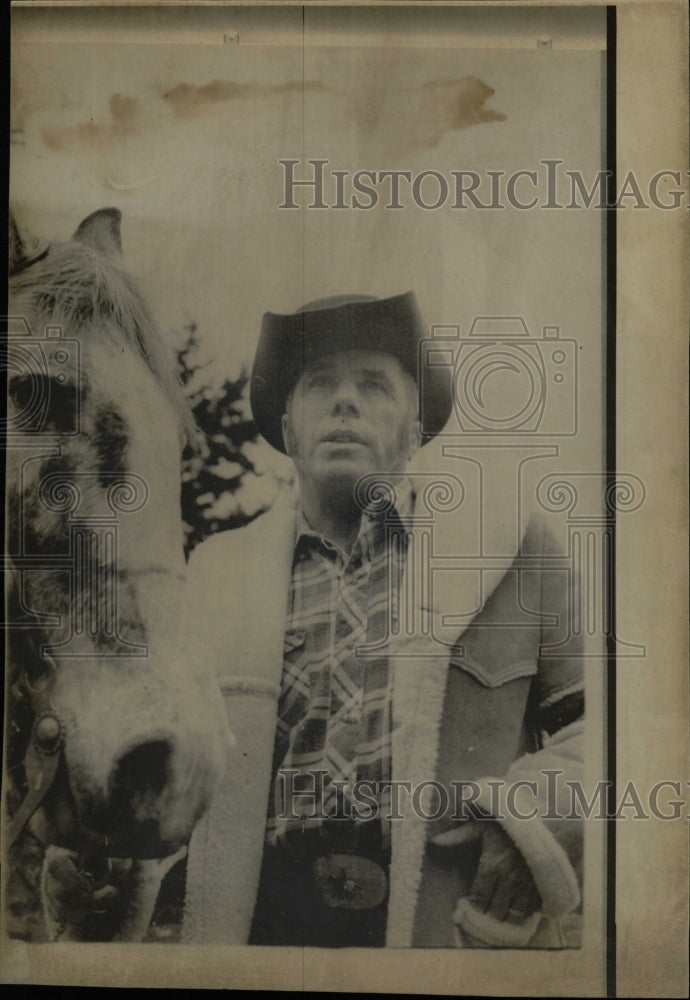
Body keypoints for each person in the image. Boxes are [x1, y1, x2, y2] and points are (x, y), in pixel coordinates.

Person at [181, 291, 585, 949]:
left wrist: (530, 827)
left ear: (414, 428)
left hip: (449, 932)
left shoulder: (512, 548)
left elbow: (608, 729)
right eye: (319, 386)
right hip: (260, 931)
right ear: (288, 430)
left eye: (373, 385)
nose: (345, 402)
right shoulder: (216, 575)